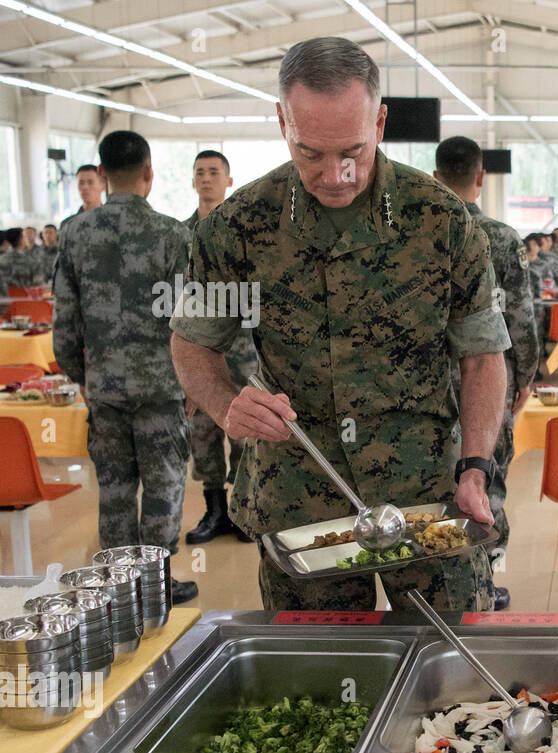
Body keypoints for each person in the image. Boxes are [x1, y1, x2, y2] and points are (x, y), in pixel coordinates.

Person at [170, 36, 510, 613]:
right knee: (321, 676)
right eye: (311, 154)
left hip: (426, 488)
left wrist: (476, 467)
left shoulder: (442, 221)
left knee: (456, 672)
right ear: (282, 122)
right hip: (301, 494)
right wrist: (228, 404)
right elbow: (193, 345)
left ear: (379, 121)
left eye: (351, 149)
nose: (335, 174)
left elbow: (482, 355)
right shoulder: (238, 227)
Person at [53, 131, 199, 604]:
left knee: (114, 488)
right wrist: (197, 382)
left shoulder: (75, 233)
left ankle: (118, 588)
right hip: (162, 386)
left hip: (106, 387)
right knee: (164, 485)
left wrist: (82, 374)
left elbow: (65, 317)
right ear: (150, 172)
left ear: (102, 175)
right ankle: (156, 584)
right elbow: (192, 316)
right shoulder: (174, 234)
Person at [435, 134, 539, 611]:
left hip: (429, 386)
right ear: (480, 178)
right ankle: (486, 581)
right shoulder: (501, 238)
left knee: (434, 478)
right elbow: (521, 317)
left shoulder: (417, 235)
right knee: (485, 474)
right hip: (489, 382)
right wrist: (526, 375)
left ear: (436, 178)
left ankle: (435, 577)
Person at [182, 150, 258, 545]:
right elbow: (168, 306)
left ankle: (242, 510)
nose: (206, 178)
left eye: (214, 172)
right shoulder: (181, 236)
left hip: (244, 353)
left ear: (229, 180)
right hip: (196, 352)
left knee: (247, 432)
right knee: (203, 434)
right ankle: (213, 510)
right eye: (200, 172)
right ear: (192, 181)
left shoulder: (245, 233)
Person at [59, 165, 105, 230]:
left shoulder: (111, 220)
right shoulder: (68, 224)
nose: (85, 187)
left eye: (90, 182)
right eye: (81, 183)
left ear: (103, 186)